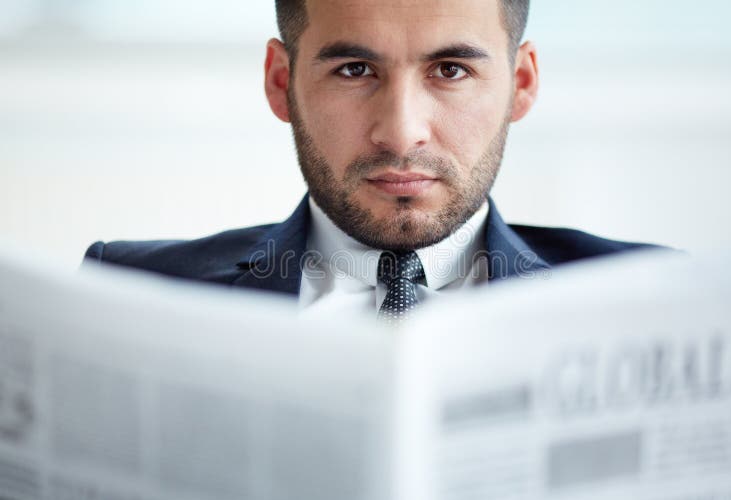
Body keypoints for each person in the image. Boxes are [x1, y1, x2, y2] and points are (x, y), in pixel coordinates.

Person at [84, 0, 658, 323]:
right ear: (281, 82)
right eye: (354, 70)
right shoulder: (128, 297)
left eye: (451, 71)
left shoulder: (654, 299)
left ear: (521, 84)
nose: (401, 133)